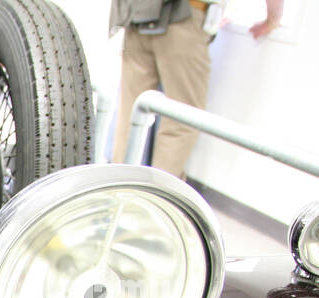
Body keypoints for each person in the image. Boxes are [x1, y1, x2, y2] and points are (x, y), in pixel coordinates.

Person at [111, 0, 284, 179]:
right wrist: (273, 19)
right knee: (181, 120)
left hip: (137, 17)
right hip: (183, 17)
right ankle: (156, 201)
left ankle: (114, 193)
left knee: (131, 116)